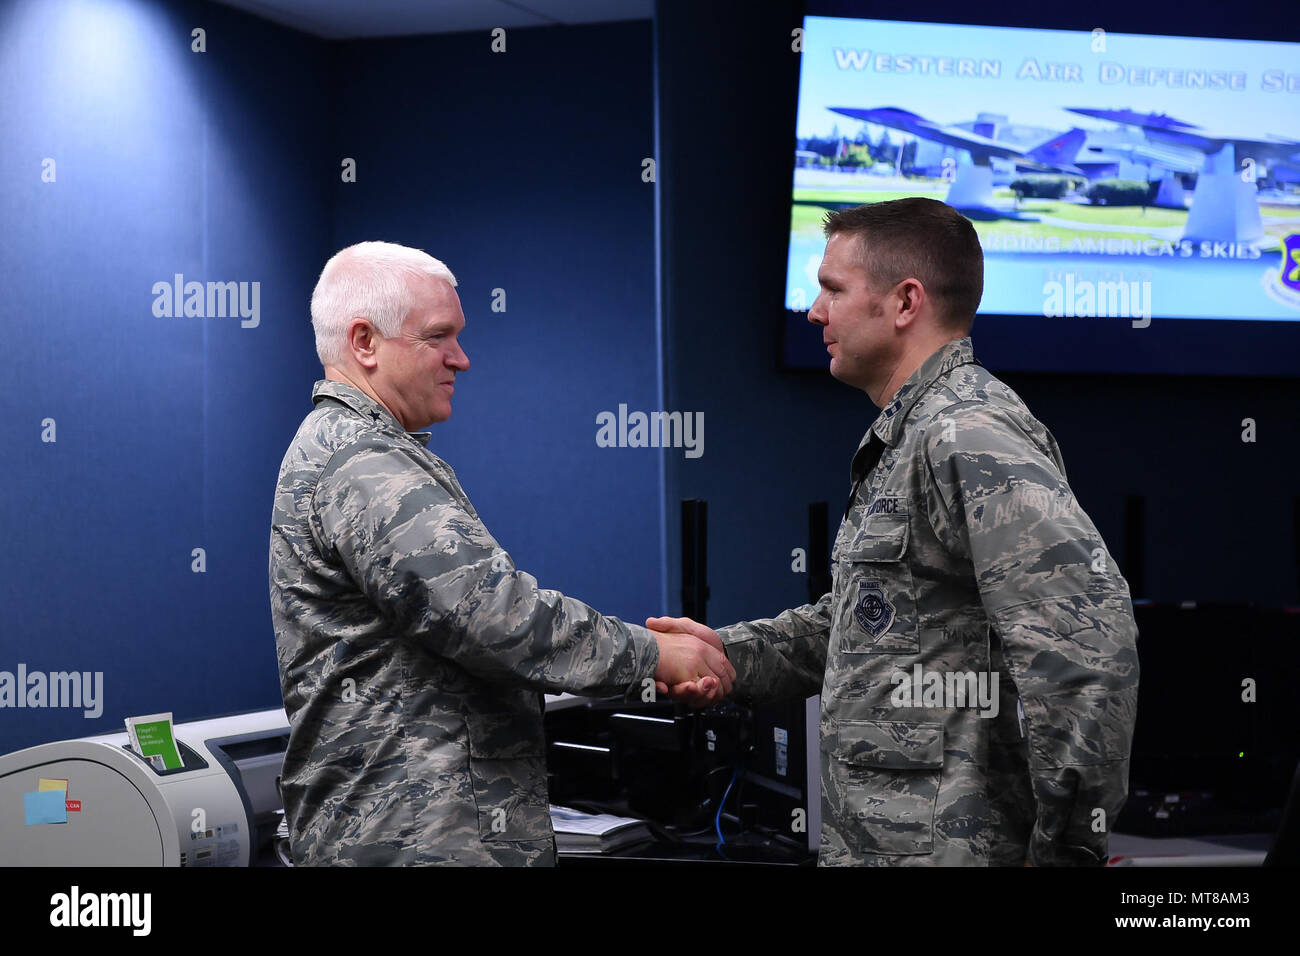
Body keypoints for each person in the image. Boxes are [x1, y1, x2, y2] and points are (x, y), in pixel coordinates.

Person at [651, 198, 1139, 866]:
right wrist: (726, 656)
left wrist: (1068, 850)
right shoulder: (912, 433)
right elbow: (860, 631)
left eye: (831, 290)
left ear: (906, 302)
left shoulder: (966, 432)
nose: (814, 311)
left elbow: (1088, 646)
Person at [268, 241, 733, 866]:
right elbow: (493, 617)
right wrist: (655, 655)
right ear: (364, 342)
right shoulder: (361, 464)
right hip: (409, 843)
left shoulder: (363, 450)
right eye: (439, 337)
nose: (461, 358)